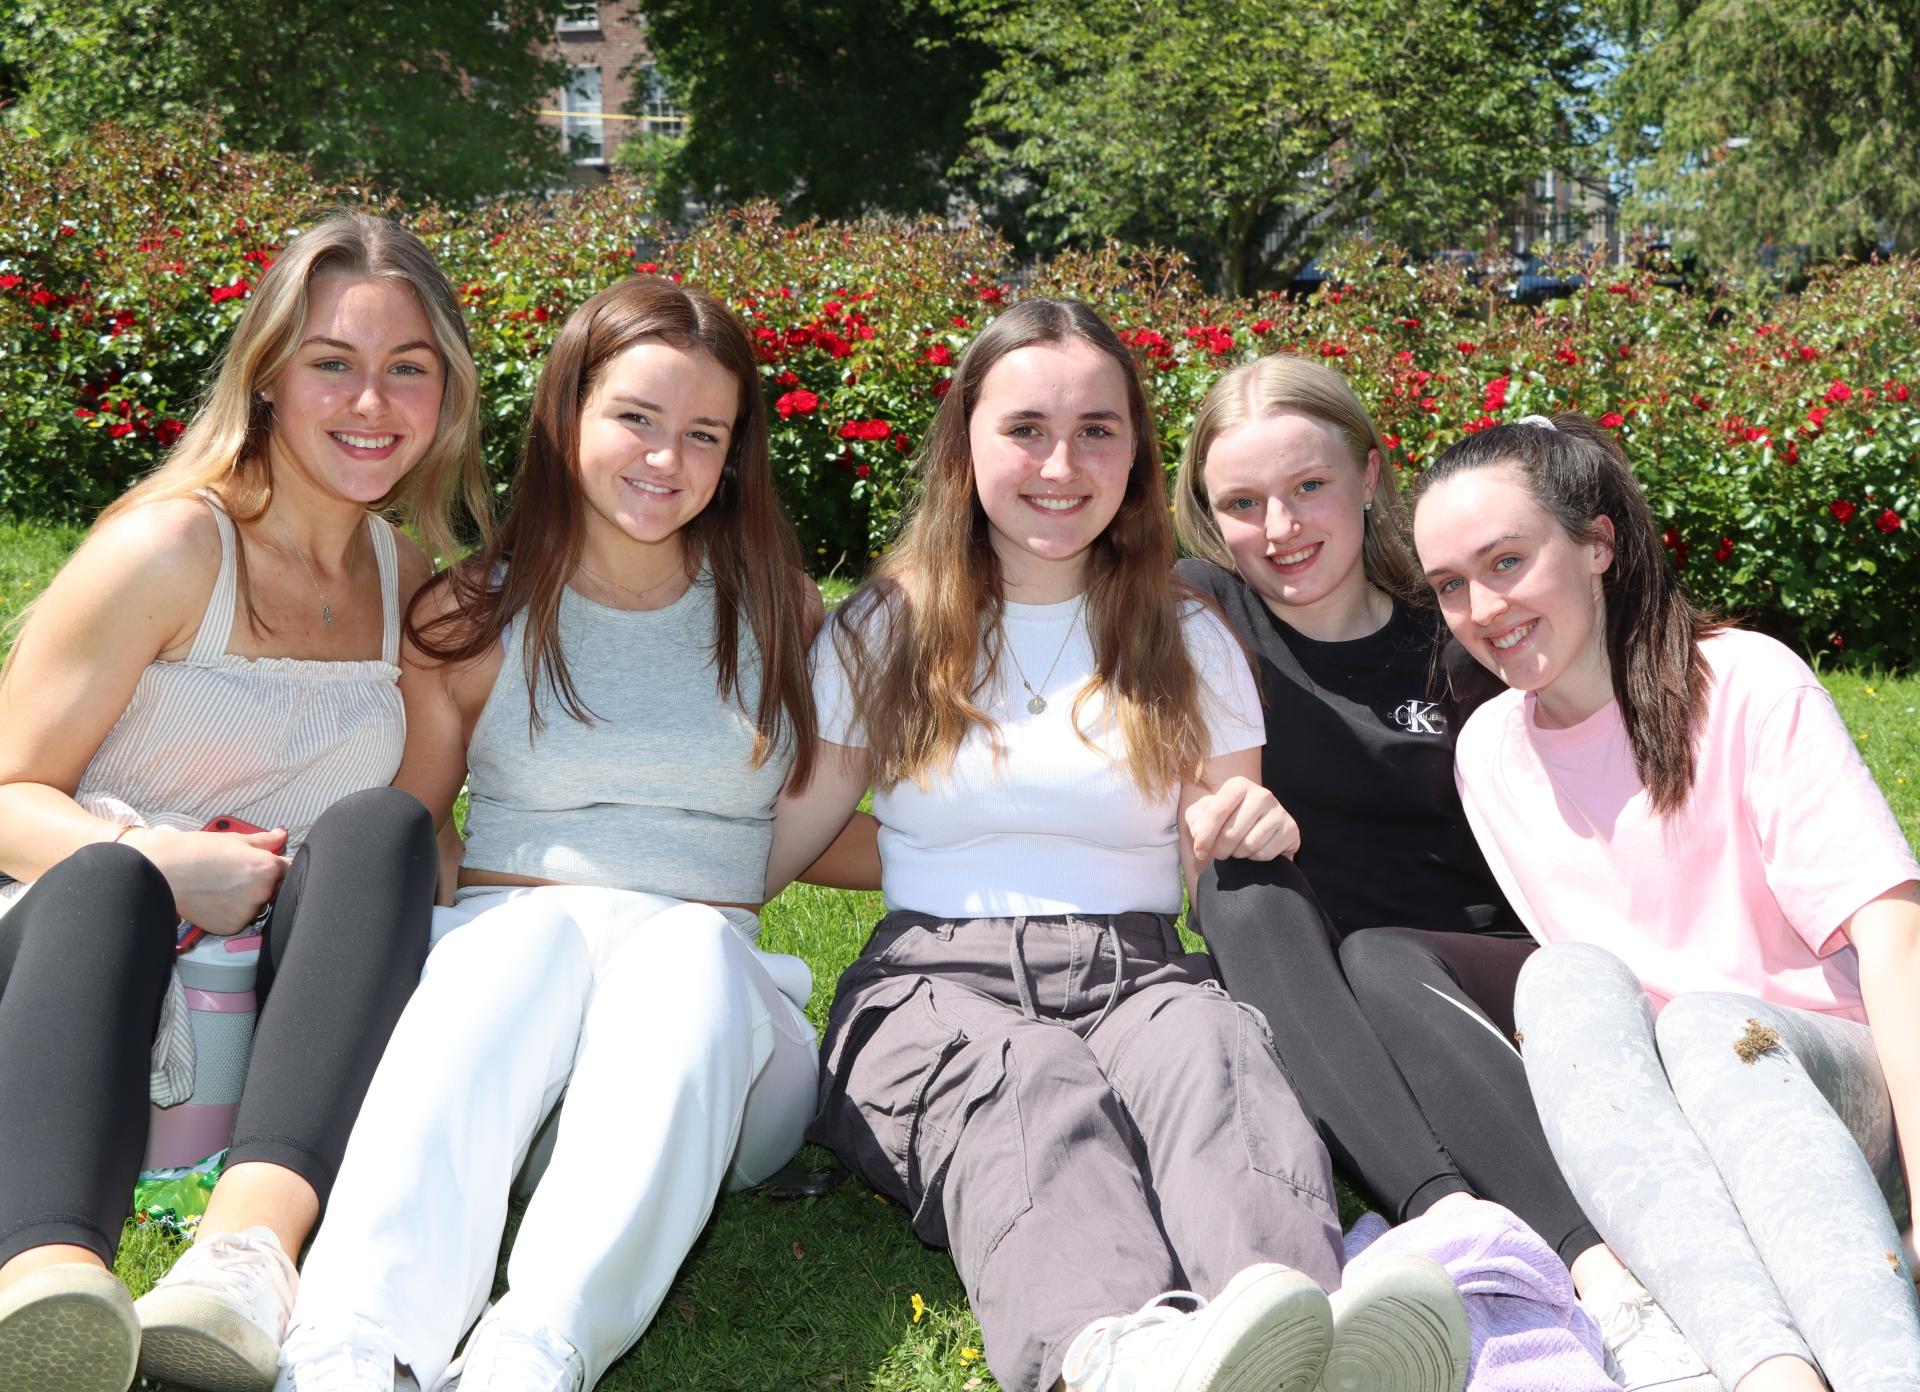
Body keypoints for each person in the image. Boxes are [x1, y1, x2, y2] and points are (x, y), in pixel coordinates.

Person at [764, 299, 1469, 1392]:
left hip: (1140, 972)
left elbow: (1218, 845)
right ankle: (1122, 1357)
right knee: (1030, 1084)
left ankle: (1303, 1336)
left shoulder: (1186, 636)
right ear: (965, 444)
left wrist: (1255, 824)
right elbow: (787, 841)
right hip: (931, 985)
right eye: (1026, 428)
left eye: (1098, 428)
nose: (1062, 462)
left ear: (1137, 454)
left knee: (1214, 1059)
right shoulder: (888, 626)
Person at [274, 276, 830, 1392]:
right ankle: (354, 1348)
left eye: (703, 434)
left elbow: (828, 827)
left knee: (682, 953)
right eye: (636, 417)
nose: (665, 459)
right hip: (513, 1023)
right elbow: (421, 828)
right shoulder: (477, 611)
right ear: (568, 412)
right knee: (522, 939)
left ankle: (537, 1352)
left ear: (735, 454)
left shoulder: (781, 611)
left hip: (719, 1043)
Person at [0, 212, 475, 1392]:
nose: (373, 402)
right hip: (74, 952)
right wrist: (158, 859)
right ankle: (44, 1281)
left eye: (407, 368)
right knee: (108, 883)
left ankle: (243, 1256)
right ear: (268, 376)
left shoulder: (405, 584)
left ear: (445, 396)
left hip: (264, 997)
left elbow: (413, 837)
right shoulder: (169, 551)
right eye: (334, 362)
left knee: (384, 833)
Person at [1410, 412, 1920, 1392]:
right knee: (1560, 982)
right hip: (1680, 1122)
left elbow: (1895, 943)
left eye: (1507, 560)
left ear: (1597, 543)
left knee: (1709, 1029)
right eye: (1449, 586)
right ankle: (1765, 1371)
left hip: (1830, 1087)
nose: (1482, 607)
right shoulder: (1490, 754)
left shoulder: (1743, 686)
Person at [1170, 357, 1650, 1377]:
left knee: (1388, 957)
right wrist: (1229, 800)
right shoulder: (1204, 610)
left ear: (1372, 475)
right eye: (1243, 503)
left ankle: (1596, 1264)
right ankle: (1452, 1221)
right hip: (1313, 1005)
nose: (1282, 528)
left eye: (1309, 487)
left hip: (1466, 981)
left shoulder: (1460, 632)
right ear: (1209, 517)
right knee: (1238, 887)